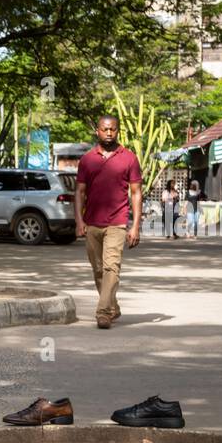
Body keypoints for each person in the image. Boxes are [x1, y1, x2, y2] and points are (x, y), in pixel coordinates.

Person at [75, 115, 143, 329]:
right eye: (105, 129)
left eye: (113, 129)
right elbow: (79, 192)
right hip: (92, 222)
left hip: (117, 222)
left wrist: (135, 226)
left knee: (111, 267)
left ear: (118, 131)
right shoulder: (87, 159)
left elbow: (136, 193)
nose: (109, 133)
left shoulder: (129, 158)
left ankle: (103, 313)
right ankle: (112, 306)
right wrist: (78, 220)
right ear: (98, 131)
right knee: (97, 270)